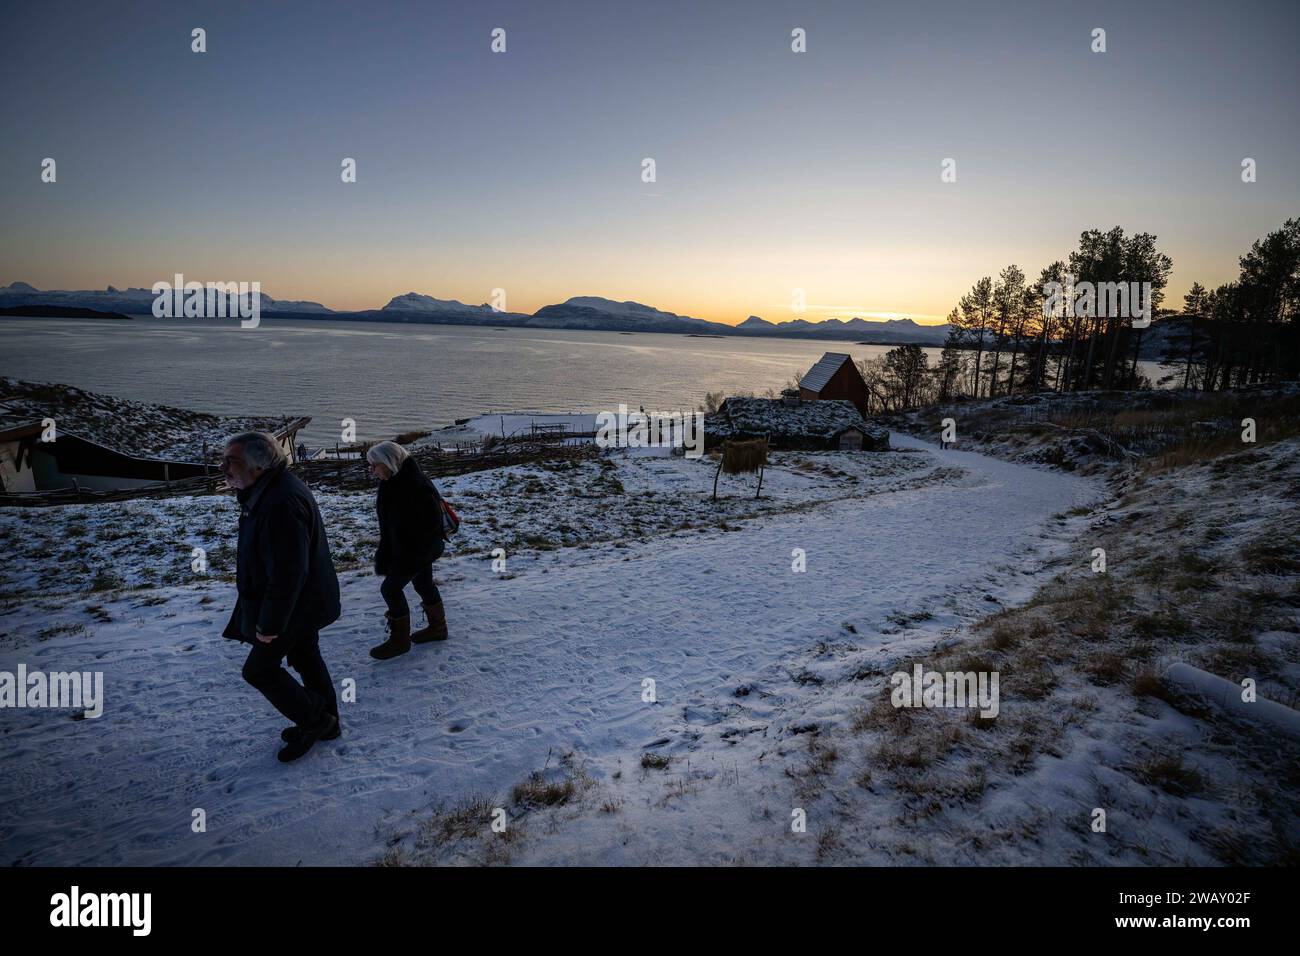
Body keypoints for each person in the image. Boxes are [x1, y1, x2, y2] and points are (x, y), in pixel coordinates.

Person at [219, 431, 341, 762]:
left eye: (232, 461)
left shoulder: (279, 503)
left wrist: (270, 622)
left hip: (294, 606)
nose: (223, 468)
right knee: (305, 656)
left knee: (259, 670)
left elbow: (288, 574)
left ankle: (317, 719)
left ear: (258, 466)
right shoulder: (268, 491)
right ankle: (328, 724)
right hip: (306, 601)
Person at [366, 441, 449, 660]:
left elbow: (429, 525)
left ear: (389, 462)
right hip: (412, 550)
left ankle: (399, 641)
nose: (372, 470)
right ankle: (438, 629)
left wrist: (406, 555)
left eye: (375, 465)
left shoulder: (414, 485)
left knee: (390, 590)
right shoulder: (393, 481)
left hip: (415, 551)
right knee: (423, 583)